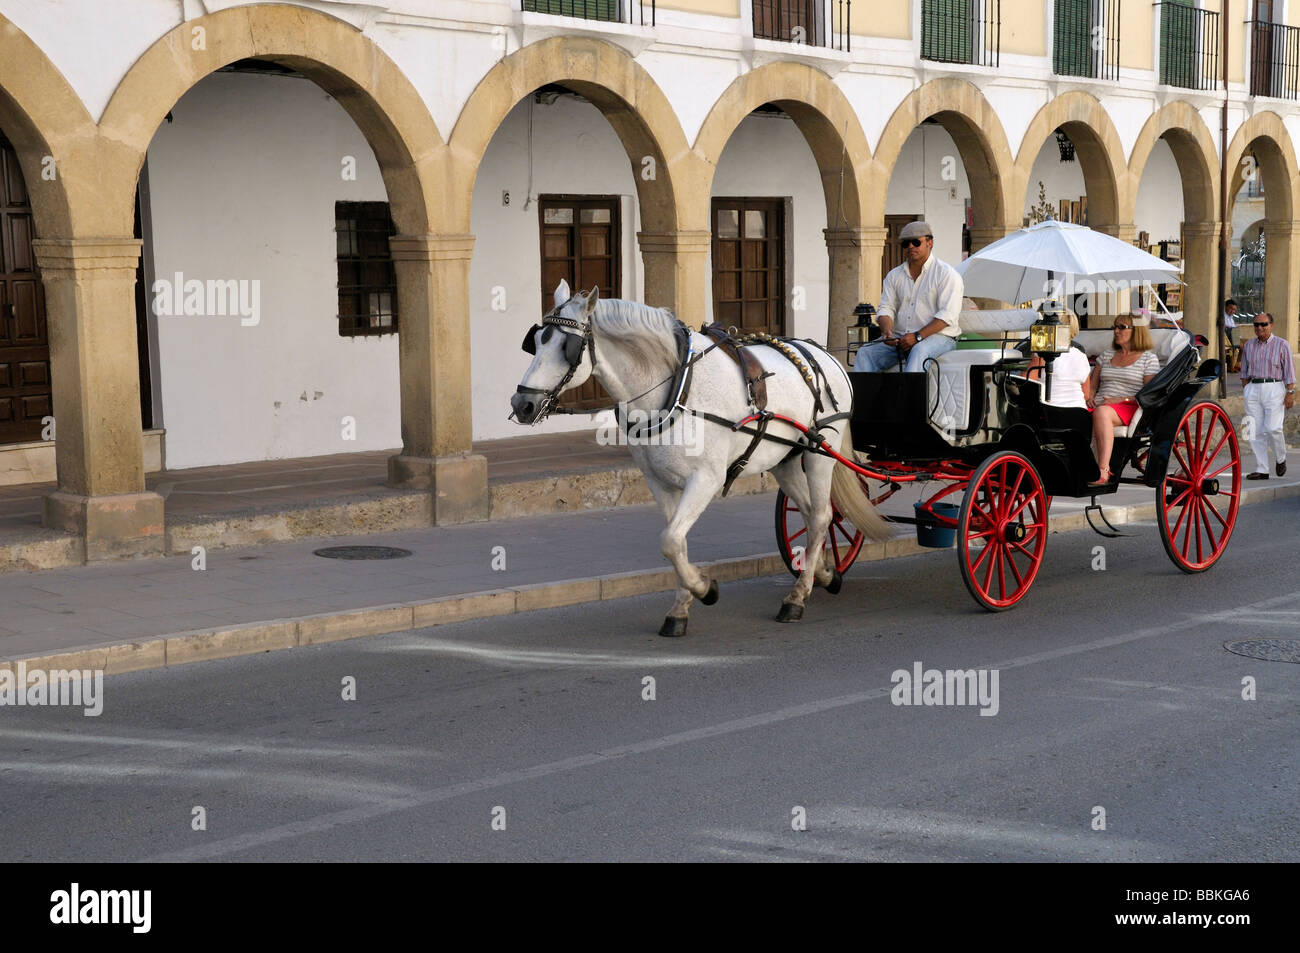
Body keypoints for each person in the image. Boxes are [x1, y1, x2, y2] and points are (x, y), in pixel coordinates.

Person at [852, 221, 962, 373]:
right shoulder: (894, 275)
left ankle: (912, 397)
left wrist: (917, 337)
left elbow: (947, 316)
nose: (911, 246)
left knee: (919, 351)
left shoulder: (946, 274)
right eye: (906, 243)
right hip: (900, 337)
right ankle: (863, 397)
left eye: (916, 242)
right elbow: (886, 308)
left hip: (940, 338)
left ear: (929, 242)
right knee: (865, 353)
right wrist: (887, 332)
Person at [1086, 316, 1160, 485]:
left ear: (1136, 331)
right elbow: (1092, 385)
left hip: (1129, 406)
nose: (1116, 331)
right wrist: (1089, 396)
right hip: (1100, 403)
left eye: (1121, 327)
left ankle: (1103, 470)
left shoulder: (1148, 359)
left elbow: (1148, 394)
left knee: (1103, 412)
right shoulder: (1106, 355)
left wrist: (1121, 399)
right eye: (1115, 327)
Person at [1240, 312, 1295, 479]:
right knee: (1255, 431)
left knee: (1273, 427)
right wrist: (1246, 389)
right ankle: (1262, 468)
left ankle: (1281, 458)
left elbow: (1289, 372)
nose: (1259, 328)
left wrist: (1290, 392)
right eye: (1256, 324)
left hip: (1274, 387)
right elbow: (1243, 371)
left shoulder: (1282, 344)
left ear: (1271, 325)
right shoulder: (1249, 345)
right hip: (1253, 387)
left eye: (1263, 324)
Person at [1024, 312, 1092, 409]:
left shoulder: (1042, 352)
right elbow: (1086, 395)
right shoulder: (1081, 356)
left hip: (1050, 413)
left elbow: (1027, 384)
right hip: (1079, 413)